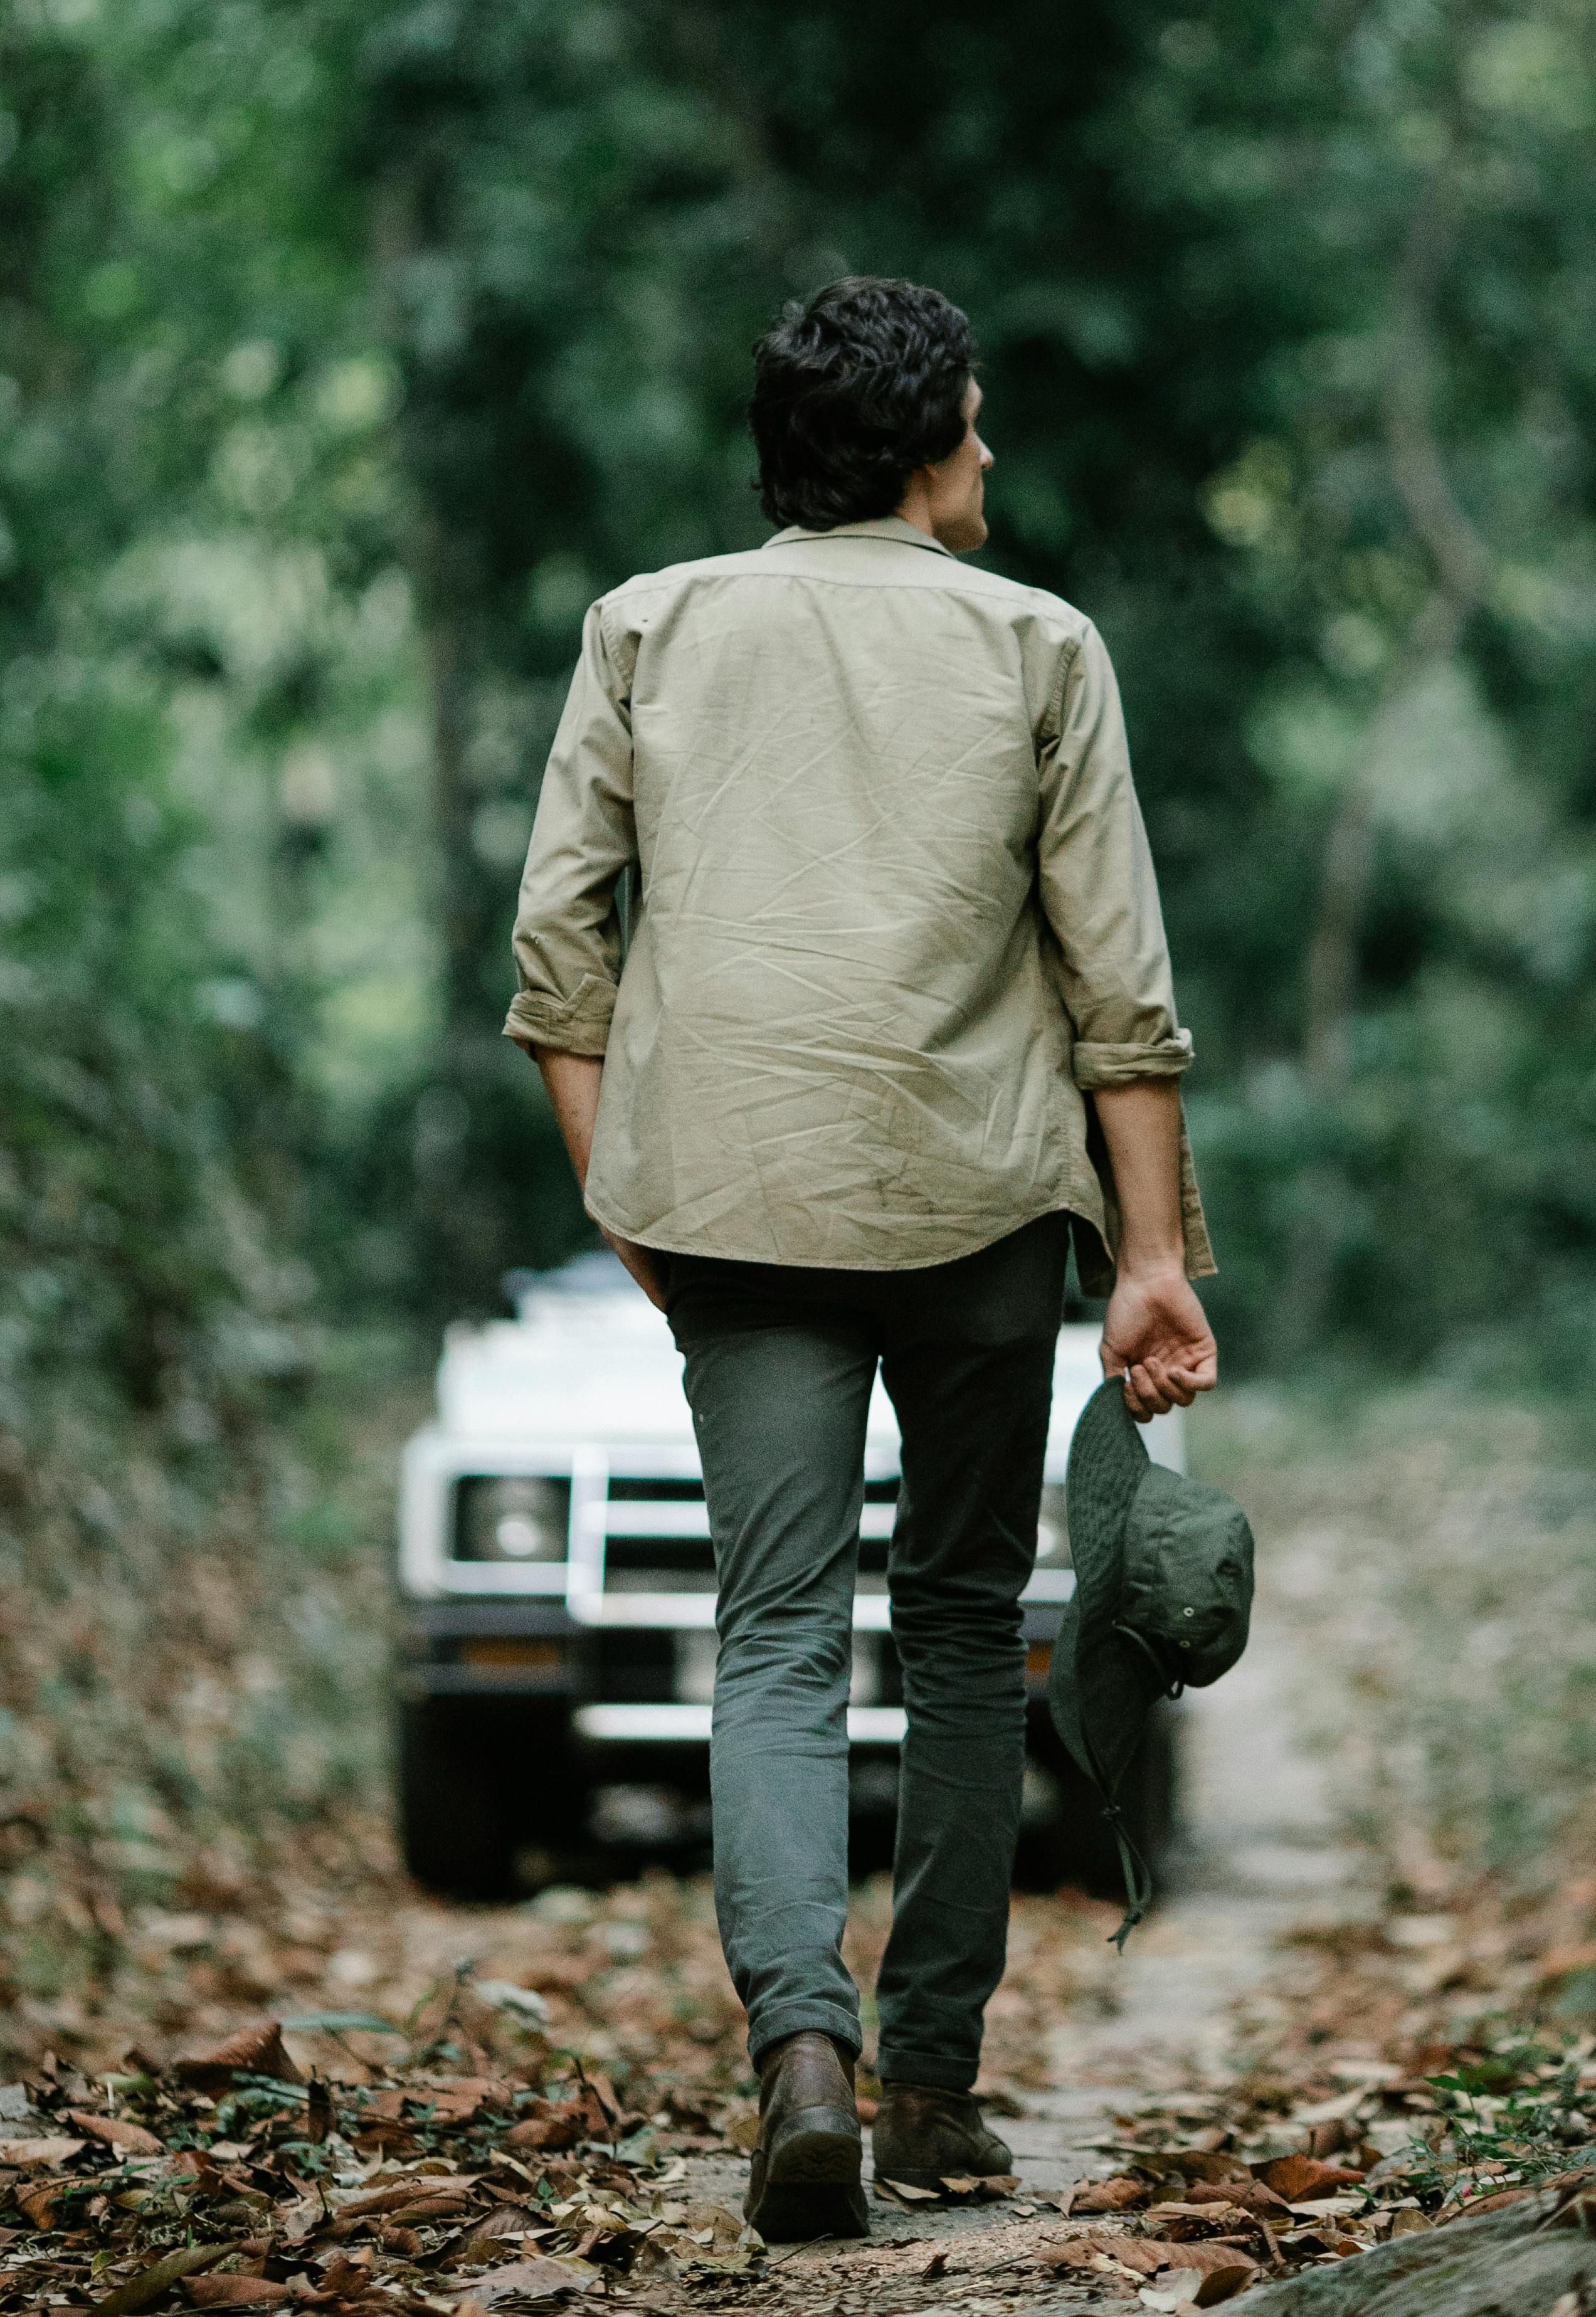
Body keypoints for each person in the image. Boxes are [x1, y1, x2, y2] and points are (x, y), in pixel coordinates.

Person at [504, 275, 1217, 2240]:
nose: (990, 448)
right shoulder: (1041, 646)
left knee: (777, 1630)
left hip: (728, 1201)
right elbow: (1120, 989)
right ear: (921, 447)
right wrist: (1154, 1257)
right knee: (969, 1624)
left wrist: (624, 1188)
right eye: (973, 418)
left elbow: (560, 946)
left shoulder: (645, 628)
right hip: (981, 1204)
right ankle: (933, 2088)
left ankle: (798, 2056)